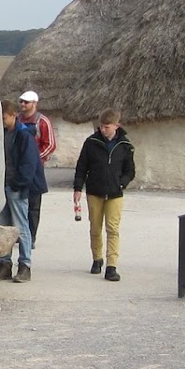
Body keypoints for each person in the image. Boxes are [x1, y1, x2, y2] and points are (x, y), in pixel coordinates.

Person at [72, 109, 134, 281]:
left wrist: (122, 183)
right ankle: (97, 258)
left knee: (113, 229)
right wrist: (78, 188)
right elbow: (82, 166)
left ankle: (112, 265)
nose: (103, 130)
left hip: (115, 193)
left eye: (107, 127)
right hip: (94, 192)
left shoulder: (125, 145)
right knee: (95, 228)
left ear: (116, 126)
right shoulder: (91, 143)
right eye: (101, 126)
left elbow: (130, 170)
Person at [0, 99, 38, 281]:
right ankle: (5, 263)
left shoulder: (24, 135)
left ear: (13, 116)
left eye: (3, 117)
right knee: (3, 227)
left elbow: (29, 163)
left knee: (20, 227)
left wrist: (17, 184)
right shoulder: (1, 134)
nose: (1, 121)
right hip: (2, 186)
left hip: (16, 187)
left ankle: (25, 265)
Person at [16, 91, 57, 249]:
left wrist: (34, 158)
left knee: (33, 205)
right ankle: (19, 234)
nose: (23, 105)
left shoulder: (42, 121)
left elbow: (50, 144)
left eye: (26, 102)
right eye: (21, 102)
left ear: (35, 103)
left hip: (35, 169)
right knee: (19, 203)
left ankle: (31, 236)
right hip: (19, 166)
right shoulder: (18, 120)